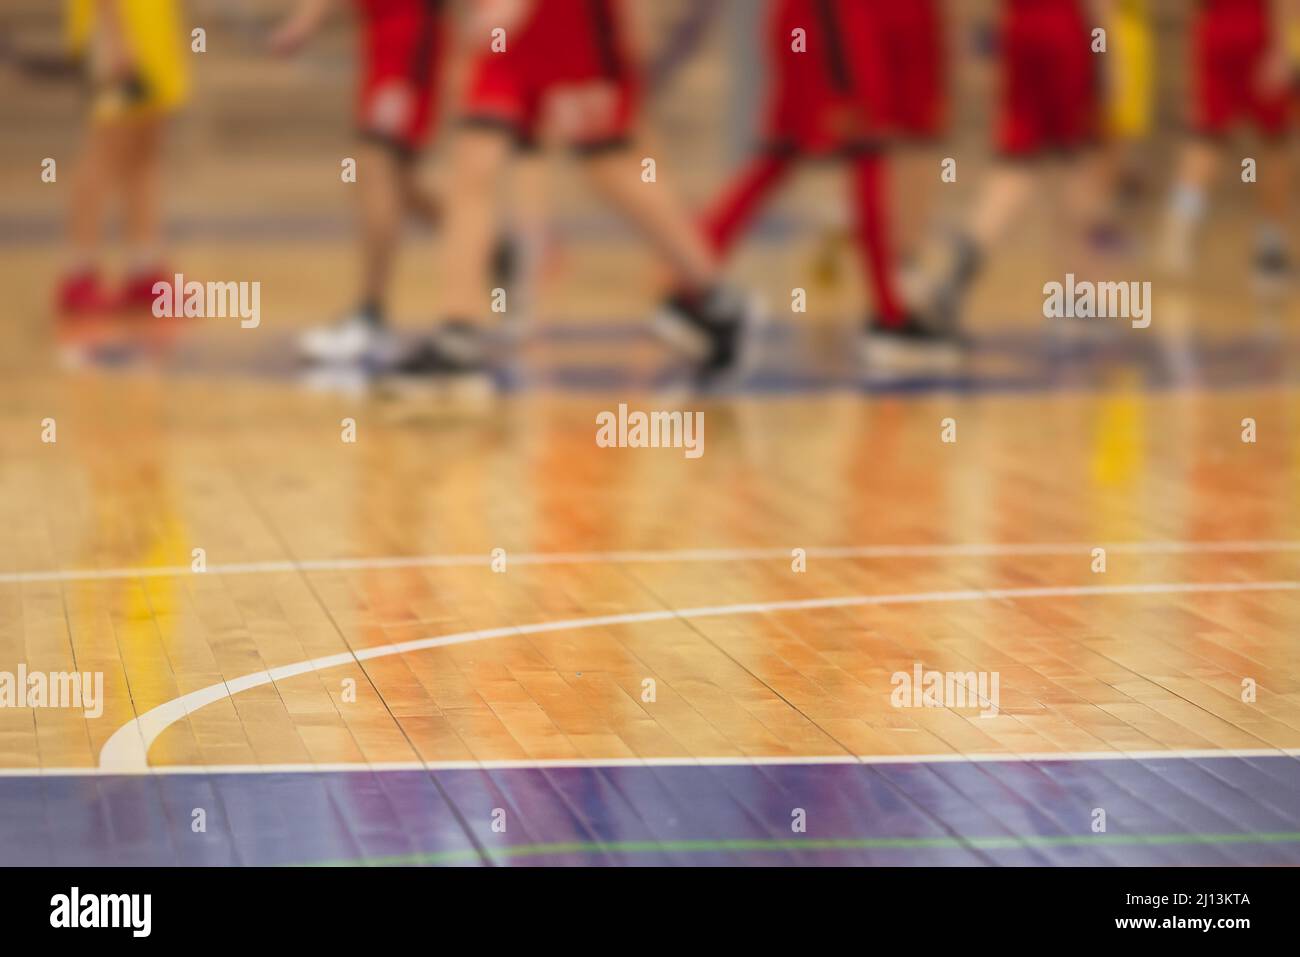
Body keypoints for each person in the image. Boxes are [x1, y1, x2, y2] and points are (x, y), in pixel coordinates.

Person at [381, 0, 757, 387]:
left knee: (610, 166)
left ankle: (716, 298)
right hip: (509, 33)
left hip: (571, 21)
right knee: (474, 161)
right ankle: (457, 331)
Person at [270, 0, 449, 363]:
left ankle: (371, 317)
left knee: (374, 167)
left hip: (409, 37)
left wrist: (304, 23)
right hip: (383, 40)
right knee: (395, 181)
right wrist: (304, 24)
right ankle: (497, 253)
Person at [57, 0, 189, 318]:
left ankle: (143, 268)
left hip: (152, 24)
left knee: (146, 148)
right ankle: (80, 273)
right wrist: (115, 36)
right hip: (115, 27)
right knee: (106, 149)